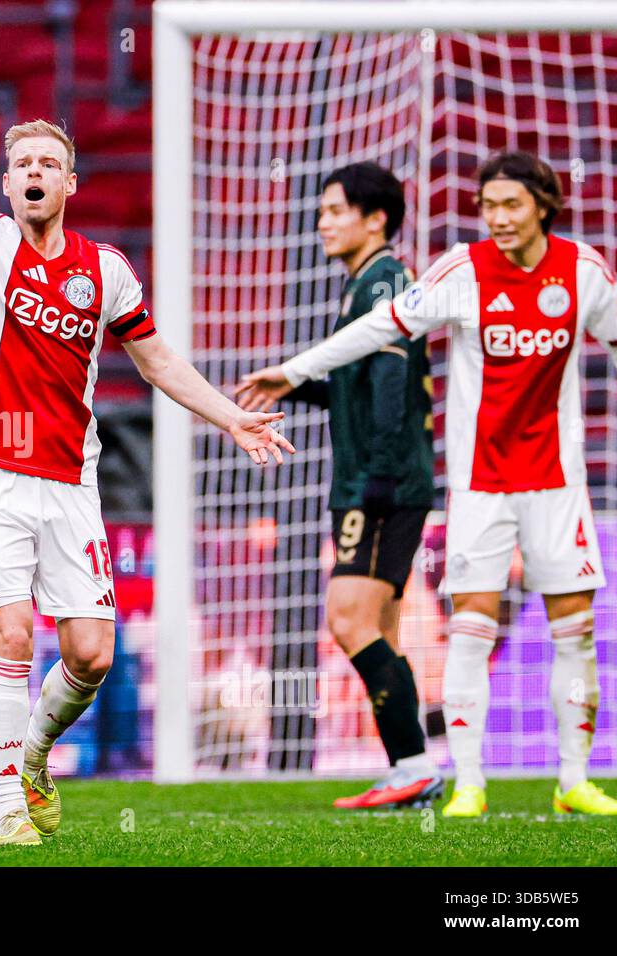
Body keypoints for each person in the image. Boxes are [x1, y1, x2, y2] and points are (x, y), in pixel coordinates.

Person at [0, 17, 294, 845]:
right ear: (7, 183)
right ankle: (5, 814)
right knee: (12, 632)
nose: (32, 173)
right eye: (20, 162)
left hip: (71, 478)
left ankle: (32, 757)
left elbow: (159, 361)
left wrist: (230, 415)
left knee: (92, 653)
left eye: (47, 164)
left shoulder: (105, 270)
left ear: (70, 183)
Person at [240, 151, 617, 818]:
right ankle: (469, 784)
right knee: (470, 630)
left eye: (512, 204)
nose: (499, 218)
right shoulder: (463, 271)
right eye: (489, 206)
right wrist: (294, 370)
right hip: (478, 485)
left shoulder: (585, 273)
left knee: (576, 634)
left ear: (543, 204)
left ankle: (573, 782)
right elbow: (379, 329)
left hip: (557, 485)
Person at [237, 162, 443, 809]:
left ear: (375, 217)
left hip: (379, 481)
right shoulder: (366, 283)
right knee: (376, 622)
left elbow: (389, 386)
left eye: (334, 210)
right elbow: (361, 389)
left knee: (348, 619)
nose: (322, 222)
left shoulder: (384, 282)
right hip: (376, 476)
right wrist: (299, 385)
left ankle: (414, 764)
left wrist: (379, 475)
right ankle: (408, 768)